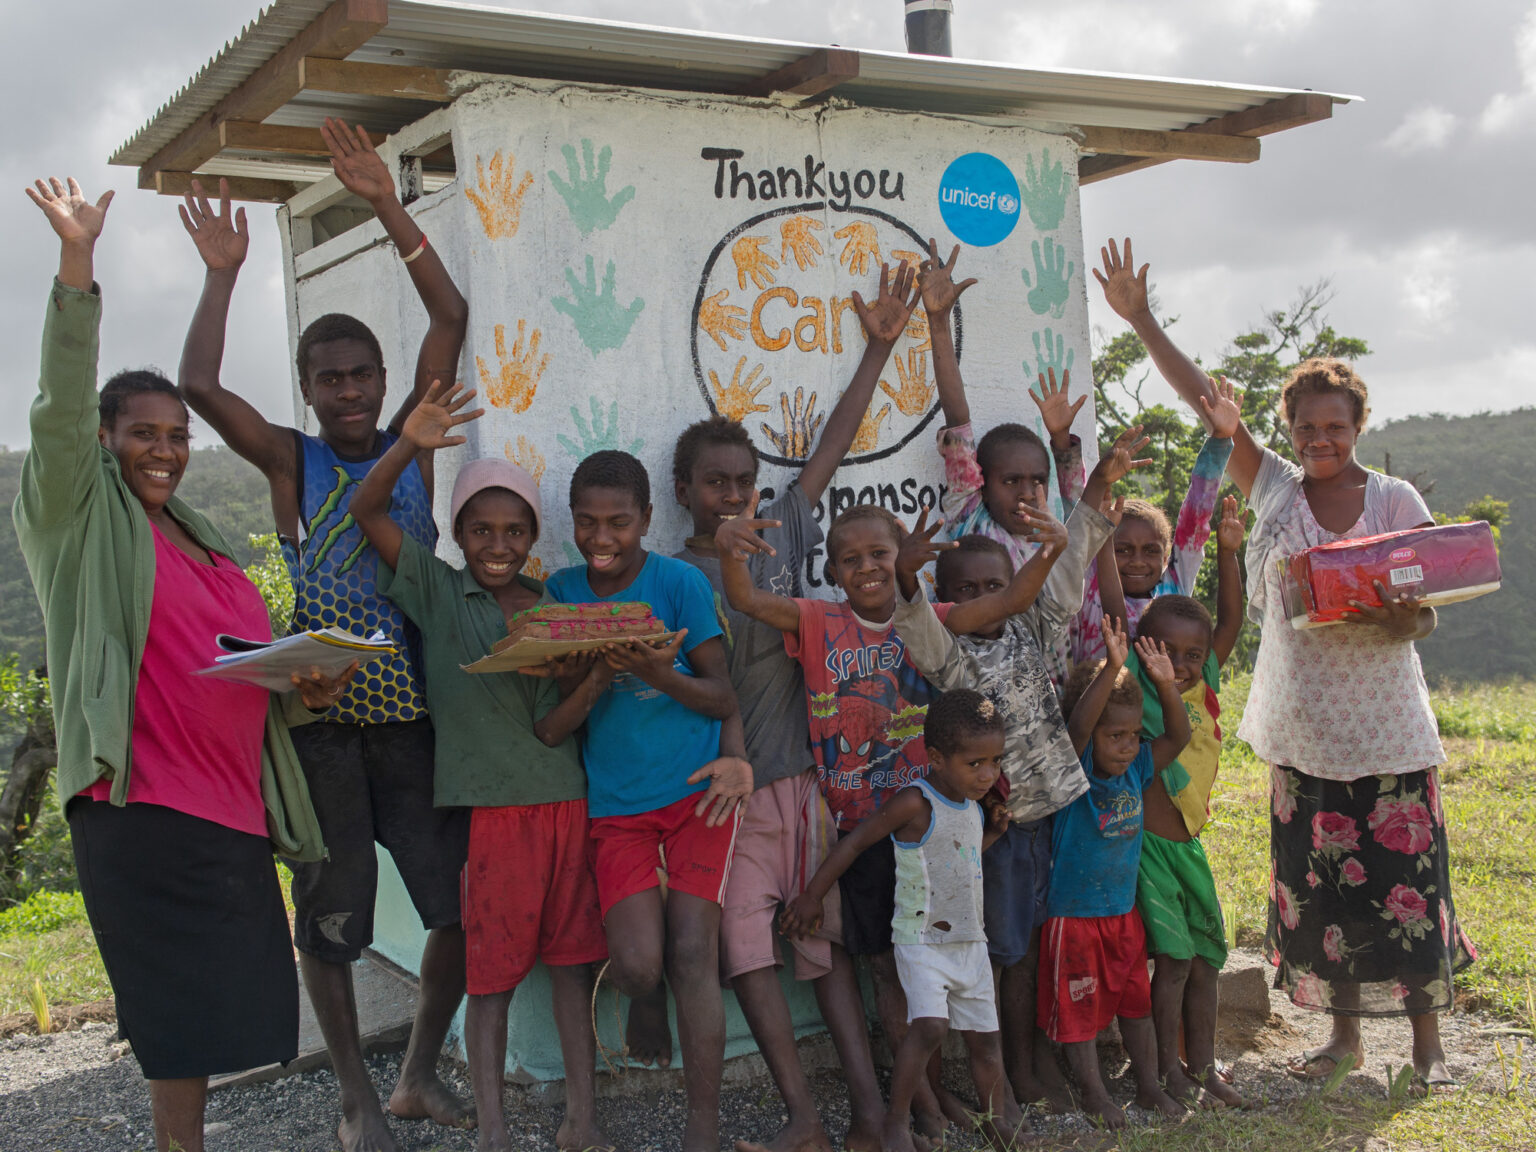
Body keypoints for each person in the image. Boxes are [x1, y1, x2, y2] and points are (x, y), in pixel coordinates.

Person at [15, 177, 350, 1152]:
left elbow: (245, 679)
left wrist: (306, 683)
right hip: (142, 815)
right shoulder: (78, 527)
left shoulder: (205, 549)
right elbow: (57, 404)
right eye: (140, 436)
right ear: (105, 444)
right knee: (174, 1034)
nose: (163, 452)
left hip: (235, 821)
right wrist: (79, 266)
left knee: (229, 1025)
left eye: (175, 437)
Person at [176, 122, 472, 1150]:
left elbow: (450, 313)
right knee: (334, 918)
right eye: (330, 379)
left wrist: (389, 202)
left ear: (385, 380)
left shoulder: (415, 445)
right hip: (326, 726)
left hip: (419, 721)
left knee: (460, 912)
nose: (350, 392)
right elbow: (203, 389)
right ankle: (354, 1095)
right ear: (308, 390)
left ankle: (418, 1075)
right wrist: (223, 277)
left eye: (362, 376)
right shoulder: (295, 462)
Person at [673, 261, 920, 1152]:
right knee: (749, 957)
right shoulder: (673, 579)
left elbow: (831, 450)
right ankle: (804, 1116)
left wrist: (882, 348)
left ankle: (866, 1111)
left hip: (808, 790)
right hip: (730, 803)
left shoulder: (784, 533)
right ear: (686, 497)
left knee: (825, 953)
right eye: (715, 484)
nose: (734, 496)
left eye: (743, 481)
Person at [348, 381, 616, 1152]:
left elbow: (550, 727)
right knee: (490, 977)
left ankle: (582, 1121)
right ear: (458, 533)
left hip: (565, 803)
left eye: (514, 531)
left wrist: (598, 676)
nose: (498, 546)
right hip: (493, 819)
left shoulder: (550, 606)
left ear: (533, 536)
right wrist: (407, 444)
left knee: (571, 970)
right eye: (481, 530)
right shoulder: (436, 589)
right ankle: (493, 1129)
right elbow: (367, 512)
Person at [1208, 362, 1475, 1094]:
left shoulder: (1393, 499)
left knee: (1408, 888)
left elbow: (1426, 605)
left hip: (1388, 728)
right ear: (1288, 430)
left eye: (1334, 426)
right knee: (1323, 891)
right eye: (1305, 427)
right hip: (1306, 731)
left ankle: (1428, 1049)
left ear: (1359, 426)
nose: (1319, 439)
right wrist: (1138, 318)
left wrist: (1400, 615)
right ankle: (1343, 1038)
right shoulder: (1276, 492)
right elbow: (1210, 405)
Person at [886, 426, 1142, 1113]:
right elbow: (913, 622)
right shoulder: (950, 658)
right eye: (967, 590)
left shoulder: (1033, 627)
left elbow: (1064, 569)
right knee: (997, 954)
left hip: (1052, 817)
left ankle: (1032, 1067)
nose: (986, 597)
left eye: (997, 584)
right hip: (992, 833)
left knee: (1031, 949)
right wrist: (905, 574)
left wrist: (1099, 484)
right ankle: (1000, 1079)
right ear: (950, 599)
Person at [718, 502, 952, 1139]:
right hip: (852, 828)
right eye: (851, 559)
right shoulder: (819, 621)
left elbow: (1003, 606)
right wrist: (730, 550)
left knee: (927, 962)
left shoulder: (924, 622)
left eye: (881, 554)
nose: (869, 568)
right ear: (832, 570)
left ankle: (932, 1102)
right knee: (881, 965)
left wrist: (1058, 542)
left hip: (925, 823)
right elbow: (744, 599)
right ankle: (913, 1109)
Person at [544, 450, 753, 1152]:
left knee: (693, 951)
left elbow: (723, 694)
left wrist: (657, 673)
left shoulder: (680, 584)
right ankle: (647, 997)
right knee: (637, 963)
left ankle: (703, 1127)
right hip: (618, 803)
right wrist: (600, 673)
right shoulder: (562, 593)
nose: (602, 539)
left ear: (647, 519)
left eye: (619, 523)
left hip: (697, 793)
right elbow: (553, 722)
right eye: (587, 522)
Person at [783, 690, 1024, 1152]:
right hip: (921, 941)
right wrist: (813, 895)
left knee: (986, 1043)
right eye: (976, 764)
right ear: (935, 758)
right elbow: (854, 845)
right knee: (931, 1028)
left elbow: (958, 862)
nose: (989, 774)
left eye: (996, 761)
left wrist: (991, 834)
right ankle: (896, 1124)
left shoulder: (973, 808)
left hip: (970, 943)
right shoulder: (916, 803)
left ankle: (999, 1127)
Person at [922, 240, 1090, 688]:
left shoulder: (1053, 531)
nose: (1027, 492)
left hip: (1052, 694)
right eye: (1010, 480)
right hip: (984, 696)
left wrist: (1060, 440)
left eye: (1038, 480)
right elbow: (958, 420)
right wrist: (938, 324)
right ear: (980, 484)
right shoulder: (970, 518)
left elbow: (1080, 504)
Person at [1045, 621, 1190, 1129]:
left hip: (1122, 914)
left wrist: (1166, 683)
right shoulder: (1074, 766)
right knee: (1079, 1009)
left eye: (1132, 734)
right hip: (1075, 917)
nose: (1127, 745)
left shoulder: (1136, 768)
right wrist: (1111, 668)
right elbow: (1082, 728)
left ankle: (1148, 1085)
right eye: (1116, 736)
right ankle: (1092, 1092)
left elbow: (1179, 735)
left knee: (1137, 1003)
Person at [1129, 497, 1247, 1109]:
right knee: (1172, 963)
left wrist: (1229, 552)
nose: (1177, 665)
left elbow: (1229, 623)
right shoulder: (1137, 689)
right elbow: (1106, 598)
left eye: (1190, 656)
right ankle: (1162, 1073)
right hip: (1147, 850)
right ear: (1141, 647)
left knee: (1206, 960)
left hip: (1189, 848)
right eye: (1164, 652)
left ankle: (1204, 1069)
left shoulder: (1205, 681)